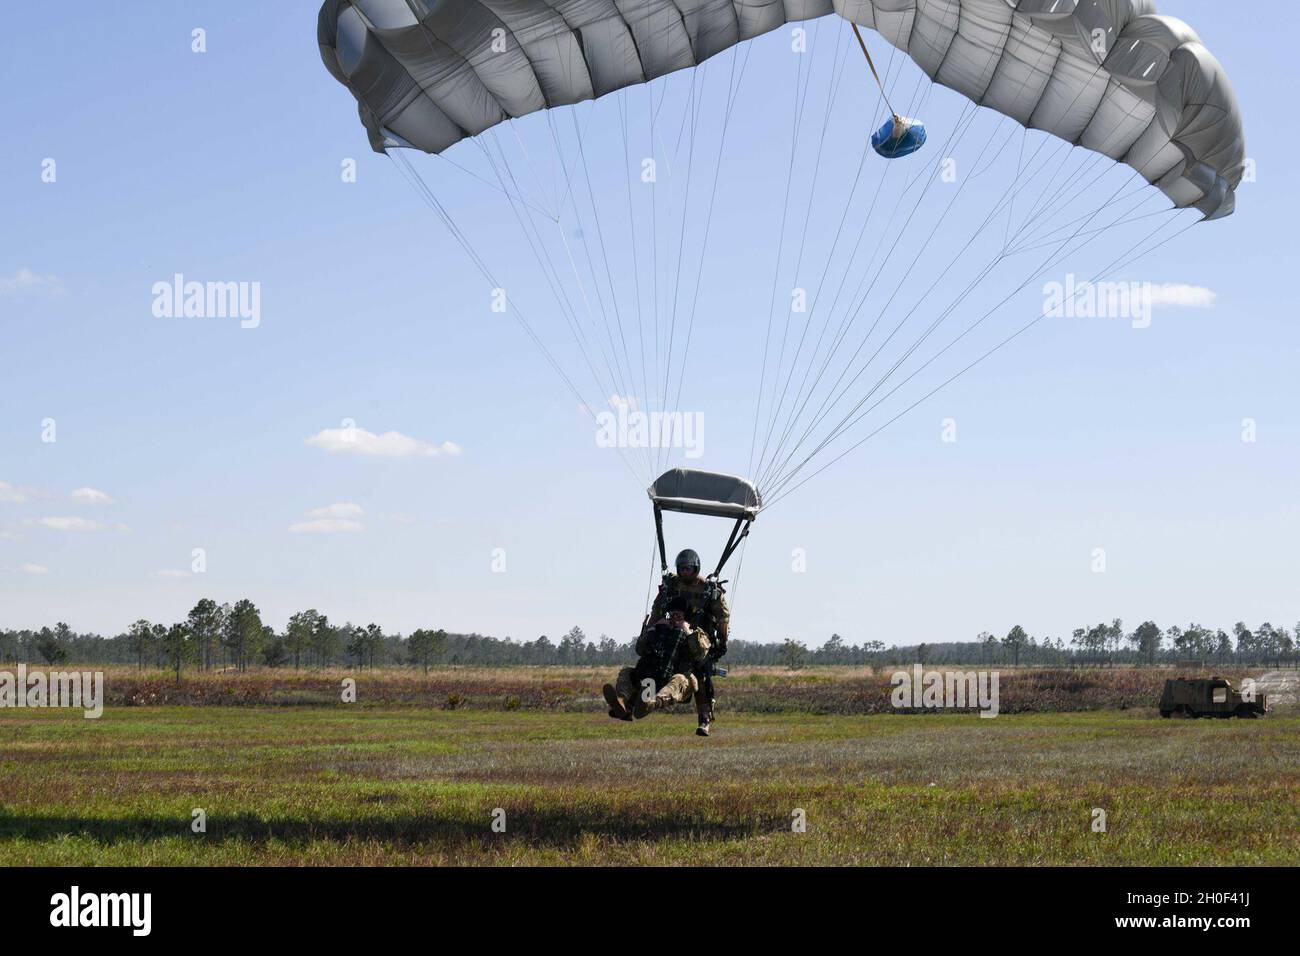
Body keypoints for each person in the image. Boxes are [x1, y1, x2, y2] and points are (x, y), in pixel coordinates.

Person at [602, 548, 730, 735]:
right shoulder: (663, 626)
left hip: (683, 673)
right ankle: (624, 704)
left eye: (688, 568)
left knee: (689, 680)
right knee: (629, 673)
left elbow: (702, 651)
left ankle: (661, 706)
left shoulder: (696, 631)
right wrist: (653, 628)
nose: (685, 572)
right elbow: (641, 649)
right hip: (657, 673)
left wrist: (688, 631)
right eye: (682, 568)